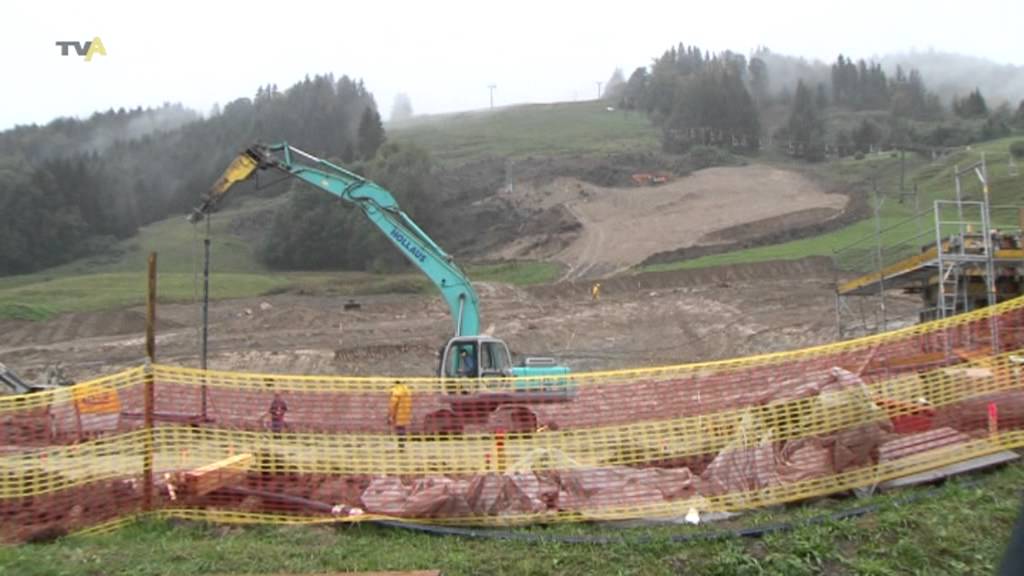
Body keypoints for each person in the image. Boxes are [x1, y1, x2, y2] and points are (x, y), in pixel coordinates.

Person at [388, 380, 412, 451]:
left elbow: (393, 404)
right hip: (406, 413)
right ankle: (402, 444)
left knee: (399, 430)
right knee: (402, 429)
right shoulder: (407, 391)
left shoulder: (396, 391)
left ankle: (400, 445)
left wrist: (390, 415)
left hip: (398, 413)